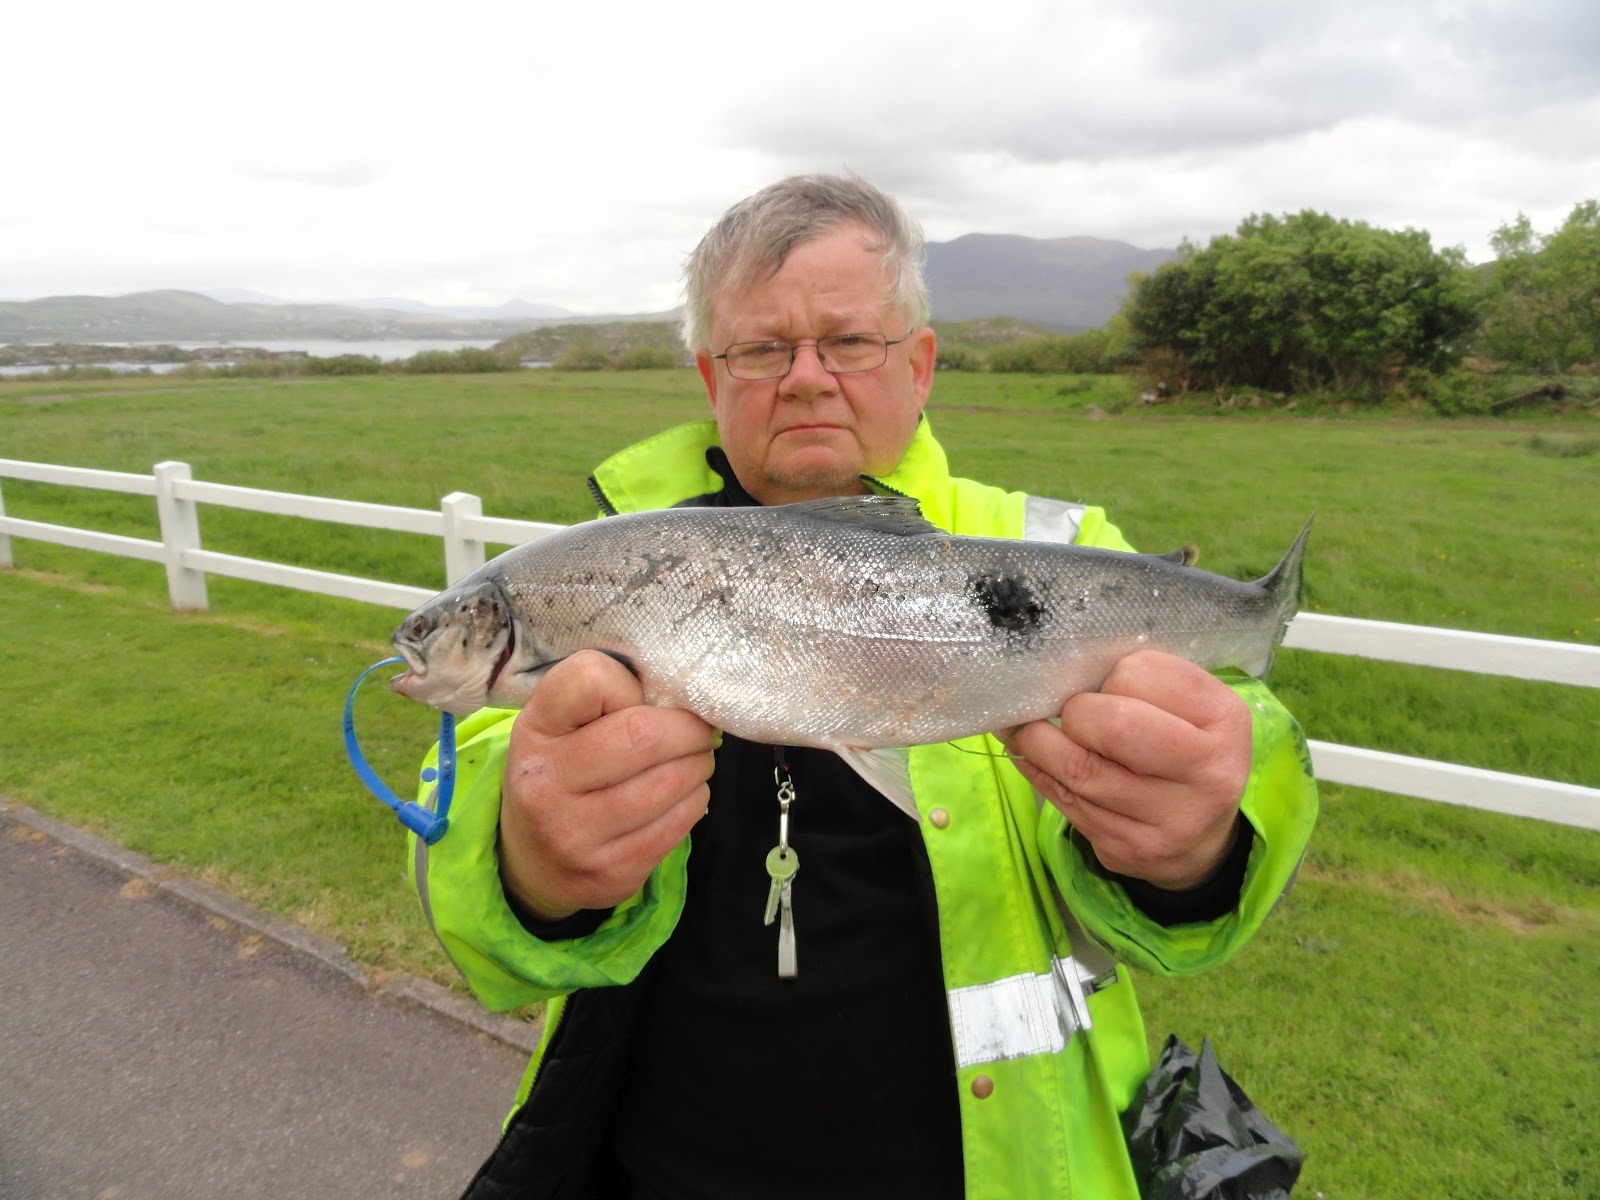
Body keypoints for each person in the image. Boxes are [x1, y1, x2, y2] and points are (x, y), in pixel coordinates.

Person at [406, 174, 1318, 1200]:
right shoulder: (600, 570)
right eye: (762, 349)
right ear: (711, 373)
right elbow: (474, 799)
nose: (805, 379)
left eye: (847, 342)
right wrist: (532, 866)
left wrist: (1197, 849)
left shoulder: (1066, 554)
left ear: (918, 365)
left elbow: (1253, 748)